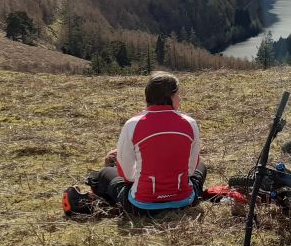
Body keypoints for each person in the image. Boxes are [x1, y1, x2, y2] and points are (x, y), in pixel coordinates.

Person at [88, 72, 207, 214]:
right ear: (170, 97)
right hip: (184, 202)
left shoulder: (132, 124)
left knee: (106, 172)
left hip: (141, 207)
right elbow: (191, 169)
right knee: (201, 166)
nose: (180, 98)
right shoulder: (190, 123)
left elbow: (128, 175)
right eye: (178, 95)